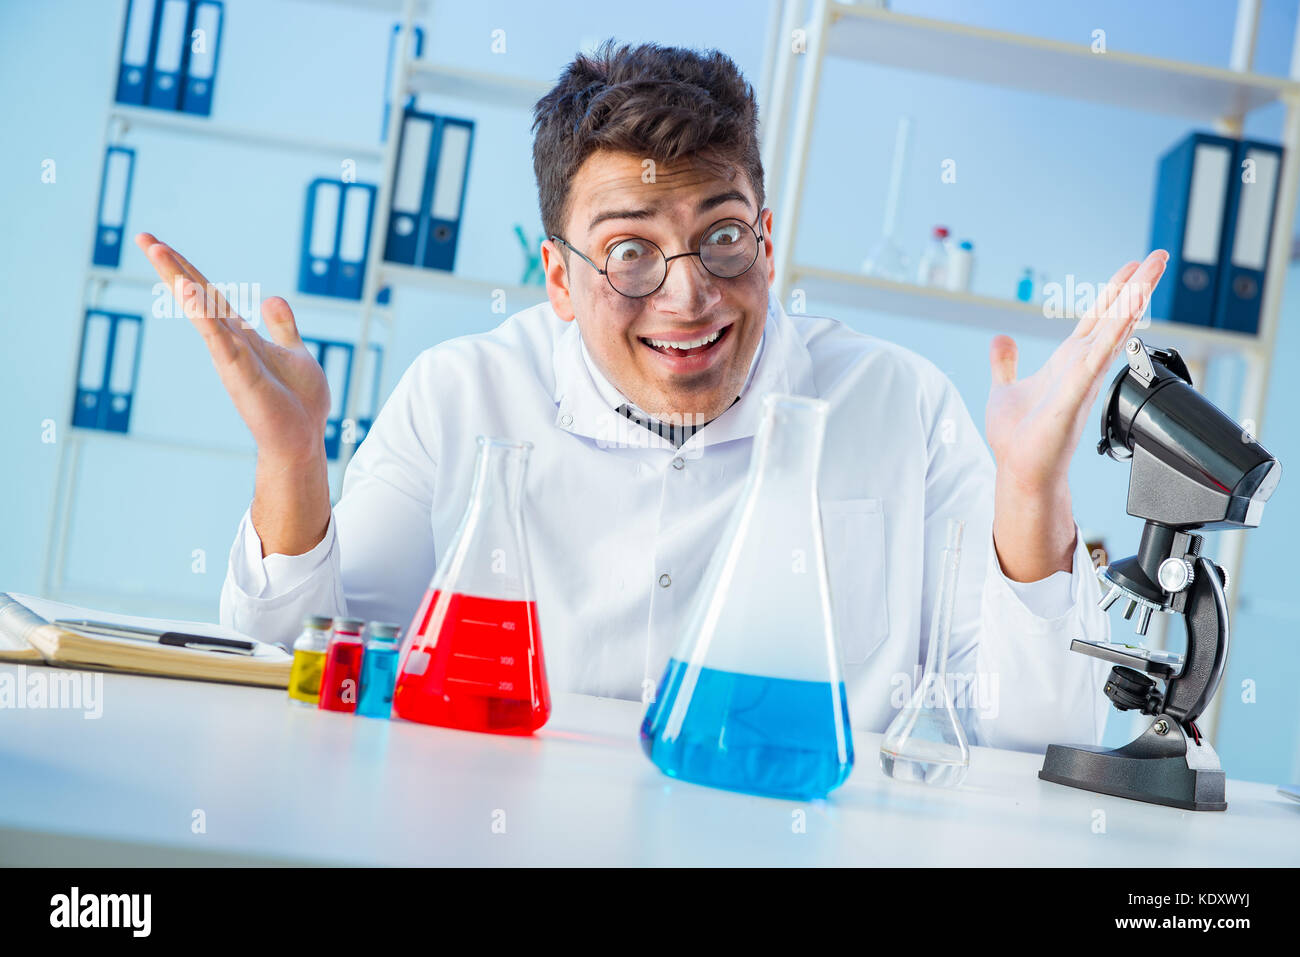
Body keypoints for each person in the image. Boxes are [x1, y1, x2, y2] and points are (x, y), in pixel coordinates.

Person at [134, 41, 1167, 752]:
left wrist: (1032, 496)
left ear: (765, 240)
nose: (689, 292)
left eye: (722, 235)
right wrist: (290, 465)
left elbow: (1034, 736)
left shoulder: (898, 406)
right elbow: (294, 672)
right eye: (630, 249)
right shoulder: (463, 395)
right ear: (556, 275)